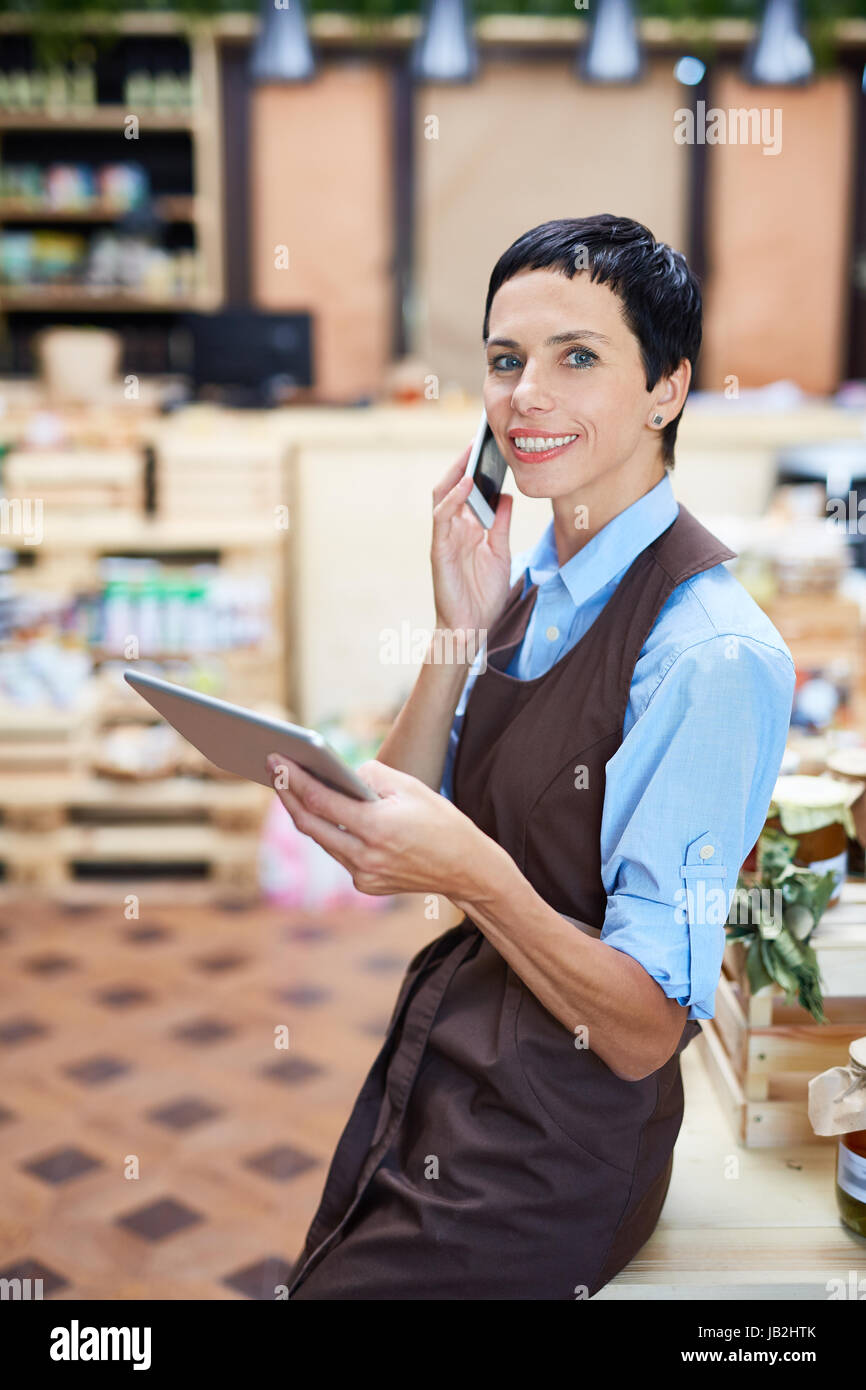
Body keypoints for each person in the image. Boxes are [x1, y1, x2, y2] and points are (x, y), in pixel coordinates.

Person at [271, 214, 796, 1300]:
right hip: (451, 1074)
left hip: (556, 1143)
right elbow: (389, 821)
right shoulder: (535, 587)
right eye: (506, 361)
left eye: (577, 357)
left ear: (666, 388)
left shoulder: (711, 656)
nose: (525, 396)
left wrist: (468, 871)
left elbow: (647, 1027)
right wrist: (456, 632)